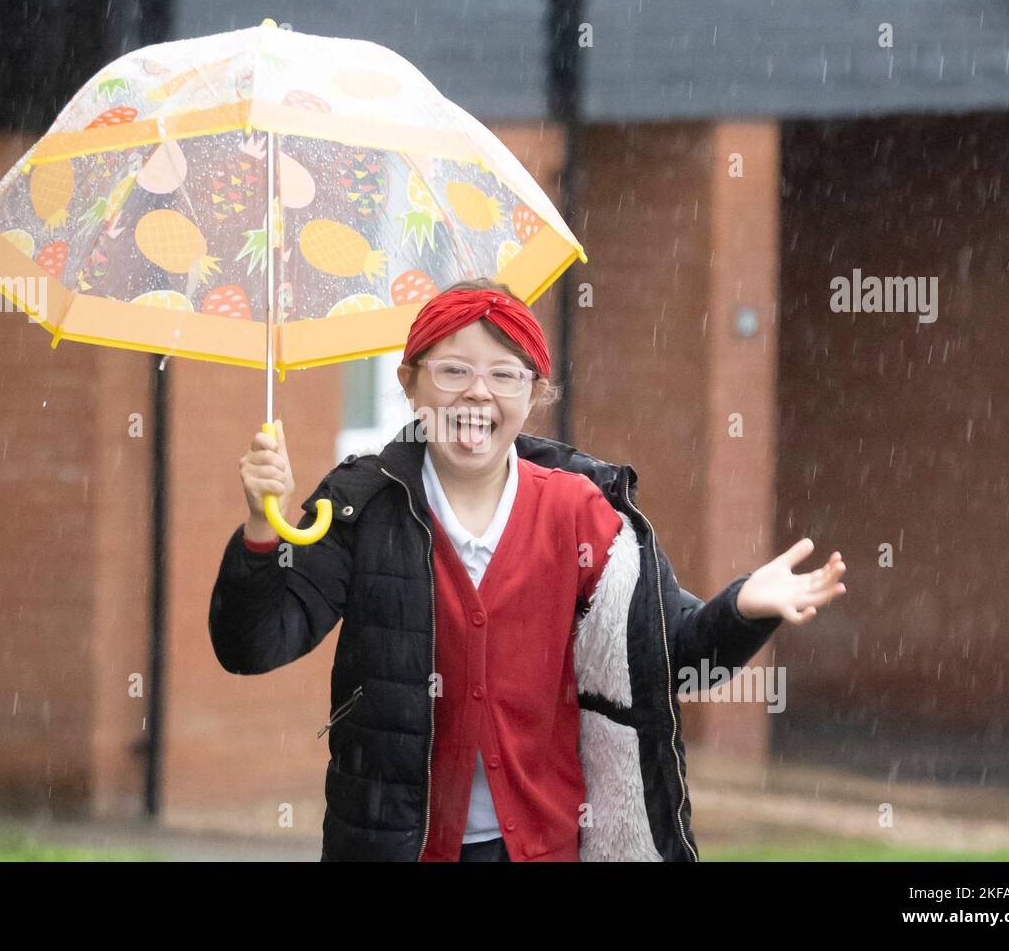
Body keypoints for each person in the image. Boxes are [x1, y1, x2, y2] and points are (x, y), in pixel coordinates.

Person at [209, 278, 847, 861]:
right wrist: (262, 525)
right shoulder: (361, 503)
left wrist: (742, 609)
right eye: (452, 371)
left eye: (504, 376)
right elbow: (252, 644)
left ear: (535, 393)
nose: (477, 394)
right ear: (409, 382)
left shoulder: (583, 514)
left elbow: (668, 655)